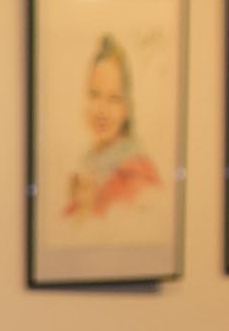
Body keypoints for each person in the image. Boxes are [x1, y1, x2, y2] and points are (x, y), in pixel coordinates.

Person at [61, 33, 162, 220]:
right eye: (94, 95)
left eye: (114, 98)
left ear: (126, 108)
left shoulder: (138, 178)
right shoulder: (85, 167)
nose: (102, 110)